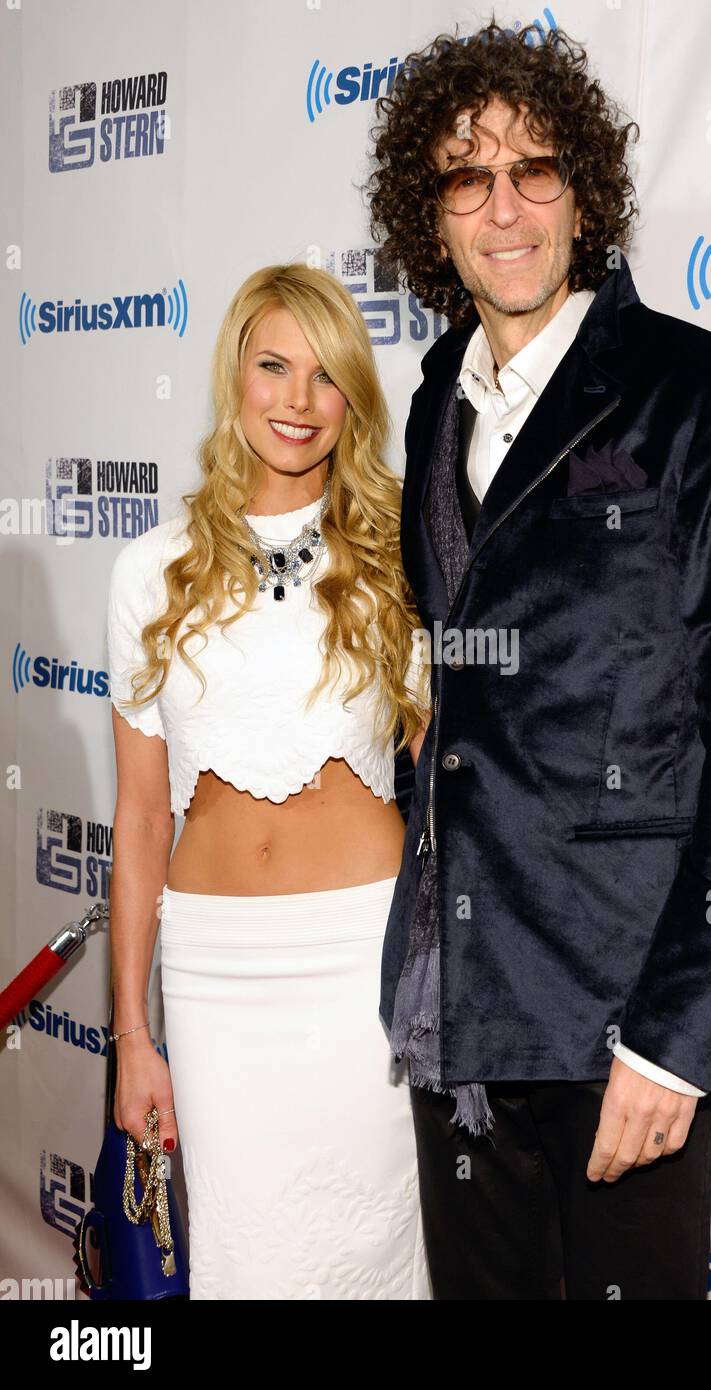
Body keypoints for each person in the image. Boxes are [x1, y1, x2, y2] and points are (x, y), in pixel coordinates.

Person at [366, 21, 711, 1299]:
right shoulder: (430, 404)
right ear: (431, 211)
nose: (504, 208)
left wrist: (677, 1043)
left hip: (620, 1029)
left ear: (585, 194)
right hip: (459, 1012)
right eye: (468, 176)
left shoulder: (703, 396)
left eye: (537, 169)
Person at [106, 263, 432, 1300]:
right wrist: (130, 1035)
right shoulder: (150, 570)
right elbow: (141, 816)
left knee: (373, 1260)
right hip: (214, 978)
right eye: (272, 366)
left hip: (361, 970)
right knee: (249, 1266)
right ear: (232, 378)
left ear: (353, 398)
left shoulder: (397, 559)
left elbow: (457, 783)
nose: (296, 400)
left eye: (325, 375)